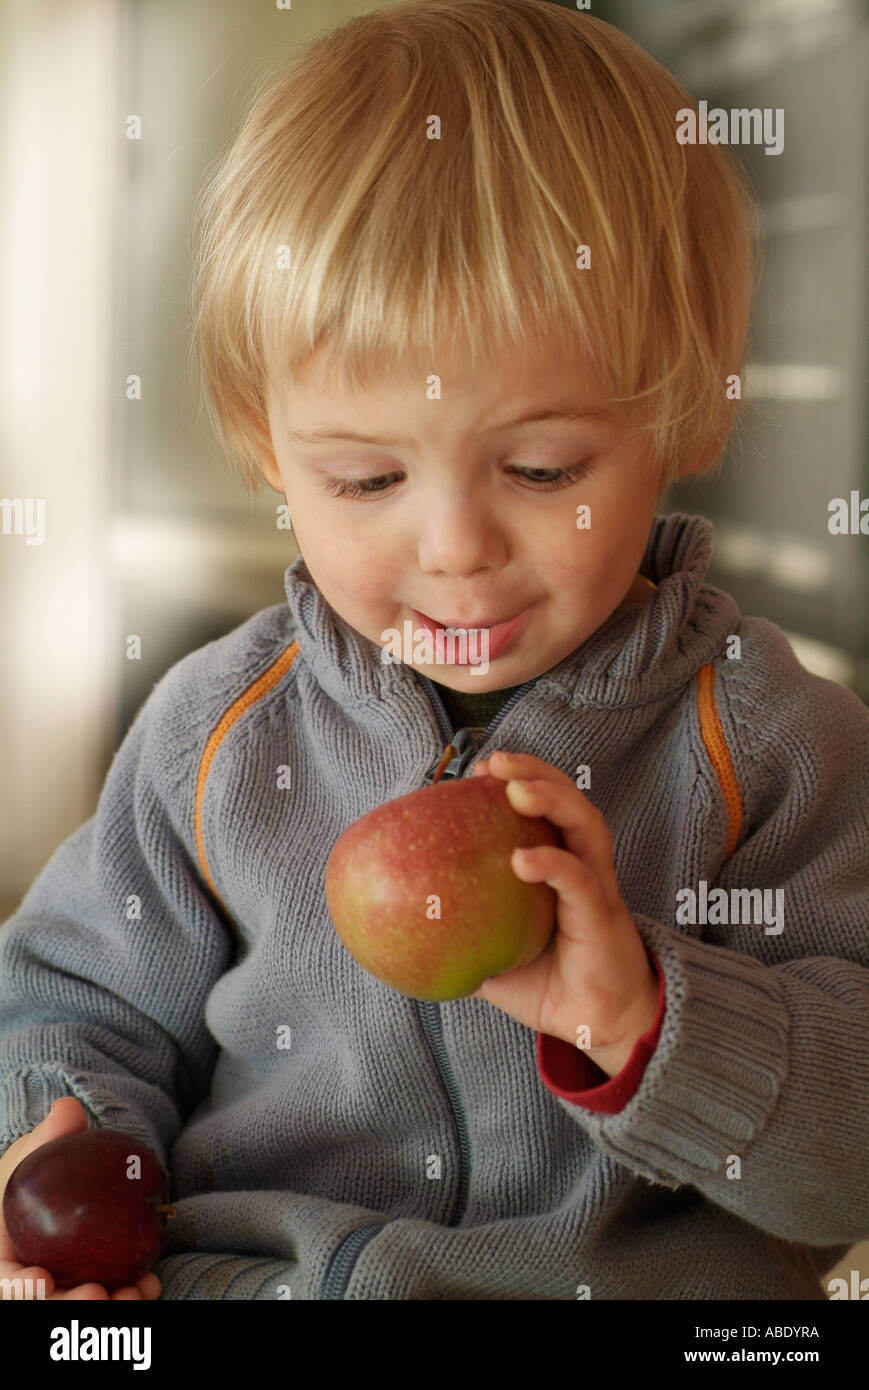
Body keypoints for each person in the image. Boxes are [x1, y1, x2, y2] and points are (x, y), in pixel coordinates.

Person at [2, 0, 867, 1301]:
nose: (455, 547)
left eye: (538, 467)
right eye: (363, 478)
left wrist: (641, 1018)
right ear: (266, 448)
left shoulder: (777, 746)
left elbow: (846, 1162)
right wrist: (68, 1162)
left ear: (680, 408)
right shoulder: (216, 733)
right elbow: (69, 995)